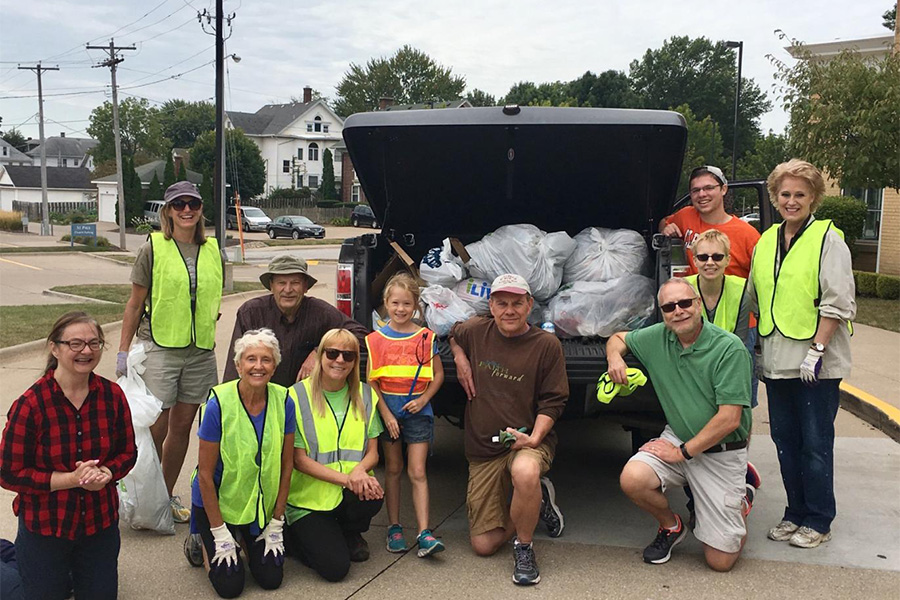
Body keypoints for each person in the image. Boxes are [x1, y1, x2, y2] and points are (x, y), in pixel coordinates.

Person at [608, 279, 754, 571]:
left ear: (698, 305)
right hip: (679, 438)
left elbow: (729, 418)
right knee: (633, 478)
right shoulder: (659, 337)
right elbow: (618, 338)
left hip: (720, 452)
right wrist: (615, 359)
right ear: (662, 313)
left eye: (685, 303)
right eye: (669, 307)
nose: (678, 311)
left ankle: (741, 499)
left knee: (720, 562)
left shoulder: (729, 348)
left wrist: (683, 453)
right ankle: (671, 526)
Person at [748, 159, 856, 549]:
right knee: (784, 440)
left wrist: (817, 349)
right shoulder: (766, 240)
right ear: (775, 198)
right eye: (785, 194)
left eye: (800, 195)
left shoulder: (829, 239)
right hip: (777, 359)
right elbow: (753, 296)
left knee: (815, 443)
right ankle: (794, 512)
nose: (791, 201)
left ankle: (819, 519)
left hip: (815, 364)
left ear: (814, 198)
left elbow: (838, 301)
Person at [1, 311, 136, 599]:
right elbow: (8, 472)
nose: (86, 351)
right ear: (55, 347)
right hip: (46, 527)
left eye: (94, 343)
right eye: (75, 344)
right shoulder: (30, 405)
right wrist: (70, 479)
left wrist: (108, 473)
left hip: (99, 525)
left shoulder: (112, 396)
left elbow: (128, 452)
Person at [449, 273, 568, 586]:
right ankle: (536, 501)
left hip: (528, 441)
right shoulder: (475, 330)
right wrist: (460, 356)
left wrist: (535, 437)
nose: (509, 310)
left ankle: (524, 547)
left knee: (526, 472)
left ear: (530, 306)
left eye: (517, 303)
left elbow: (553, 402)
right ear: (491, 305)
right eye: (502, 303)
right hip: (483, 449)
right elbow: (452, 332)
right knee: (483, 545)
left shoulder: (547, 345)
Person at [117, 180, 223, 524]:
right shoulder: (153, 248)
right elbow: (135, 304)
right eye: (179, 205)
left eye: (192, 203)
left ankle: (162, 496)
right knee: (154, 427)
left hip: (199, 351)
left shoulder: (212, 249)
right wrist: (123, 350)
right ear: (168, 211)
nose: (187, 210)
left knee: (183, 426)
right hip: (160, 346)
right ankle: (137, 492)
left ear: (200, 208)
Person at [190, 328, 296, 598]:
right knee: (230, 587)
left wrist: (277, 522)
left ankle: (246, 539)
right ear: (238, 365)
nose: (258, 366)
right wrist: (218, 532)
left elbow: (286, 466)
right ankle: (204, 540)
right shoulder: (218, 404)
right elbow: (204, 475)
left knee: (271, 578)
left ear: (274, 367)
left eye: (266, 360)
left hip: (259, 504)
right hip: (218, 502)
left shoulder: (284, 400)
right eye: (250, 359)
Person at [285, 329, 384, 582]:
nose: (339, 360)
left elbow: (372, 452)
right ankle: (291, 536)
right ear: (320, 356)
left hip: (347, 493)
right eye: (332, 353)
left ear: (355, 362)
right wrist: (349, 480)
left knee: (373, 496)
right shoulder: (297, 396)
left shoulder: (366, 394)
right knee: (335, 569)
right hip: (309, 500)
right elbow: (298, 459)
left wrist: (360, 472)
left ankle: (348, 532)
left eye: (348, 355)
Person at [366, 273, 446, 557]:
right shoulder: (375, 340)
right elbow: (371, 382)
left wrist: (423, 399)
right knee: (393, 469)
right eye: (395, 303)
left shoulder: (425, 338)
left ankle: (424, 531)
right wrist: (386, 414)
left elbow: (438, 376)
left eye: (407, 304)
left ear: (416, 307)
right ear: (386, 303)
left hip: (418, 414)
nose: (400, 309)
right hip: (390, 416)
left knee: (418, 471)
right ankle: (394, 527)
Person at [224, 254, 368, 387]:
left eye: (295, 283)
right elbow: (234, 365)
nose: (288, 289)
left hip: (307, 400)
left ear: (305, 287)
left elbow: (363, 336)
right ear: (271, 286)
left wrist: (320, 352)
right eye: (281, 283)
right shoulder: (251, 313)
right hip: (262, 397)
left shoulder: (321, 312)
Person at [661, 165, 761, 278]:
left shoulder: (747, 235)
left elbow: (762, 278)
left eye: (709, 188)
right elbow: (663, 222)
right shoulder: (685, 215)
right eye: (696, 190)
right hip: (689, 293)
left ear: (723, 189)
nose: (702, 194)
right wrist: (666, 229)